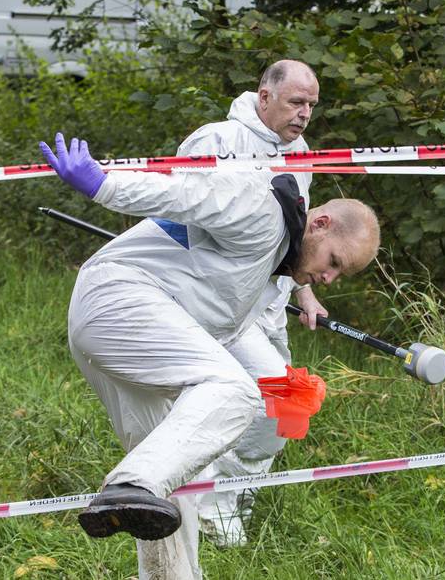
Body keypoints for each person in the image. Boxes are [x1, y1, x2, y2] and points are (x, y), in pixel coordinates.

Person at [38, 133, 380, 579]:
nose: (330, 278)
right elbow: (184, 192)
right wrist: (103, 185)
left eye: (340, 273)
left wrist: (299, 296)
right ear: (320, 224)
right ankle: (130, 483)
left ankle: (153, 526)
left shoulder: (276, 262)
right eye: (334, 261)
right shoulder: (261, 211)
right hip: (120, 300)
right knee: (236, 393)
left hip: (122, 319)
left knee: (171, 486)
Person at [178, 59, 326, 547]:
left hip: (271, 304)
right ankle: (210, 507)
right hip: (223, 306)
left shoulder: (300, 152)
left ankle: (234, 499)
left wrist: (304, 289)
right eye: (296, 102)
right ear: (265, 96)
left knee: (282, 410)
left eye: (311, 105)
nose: (304, 114)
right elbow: (180, 215)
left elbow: (297, 232)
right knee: (278, 400)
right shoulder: (215, 141)